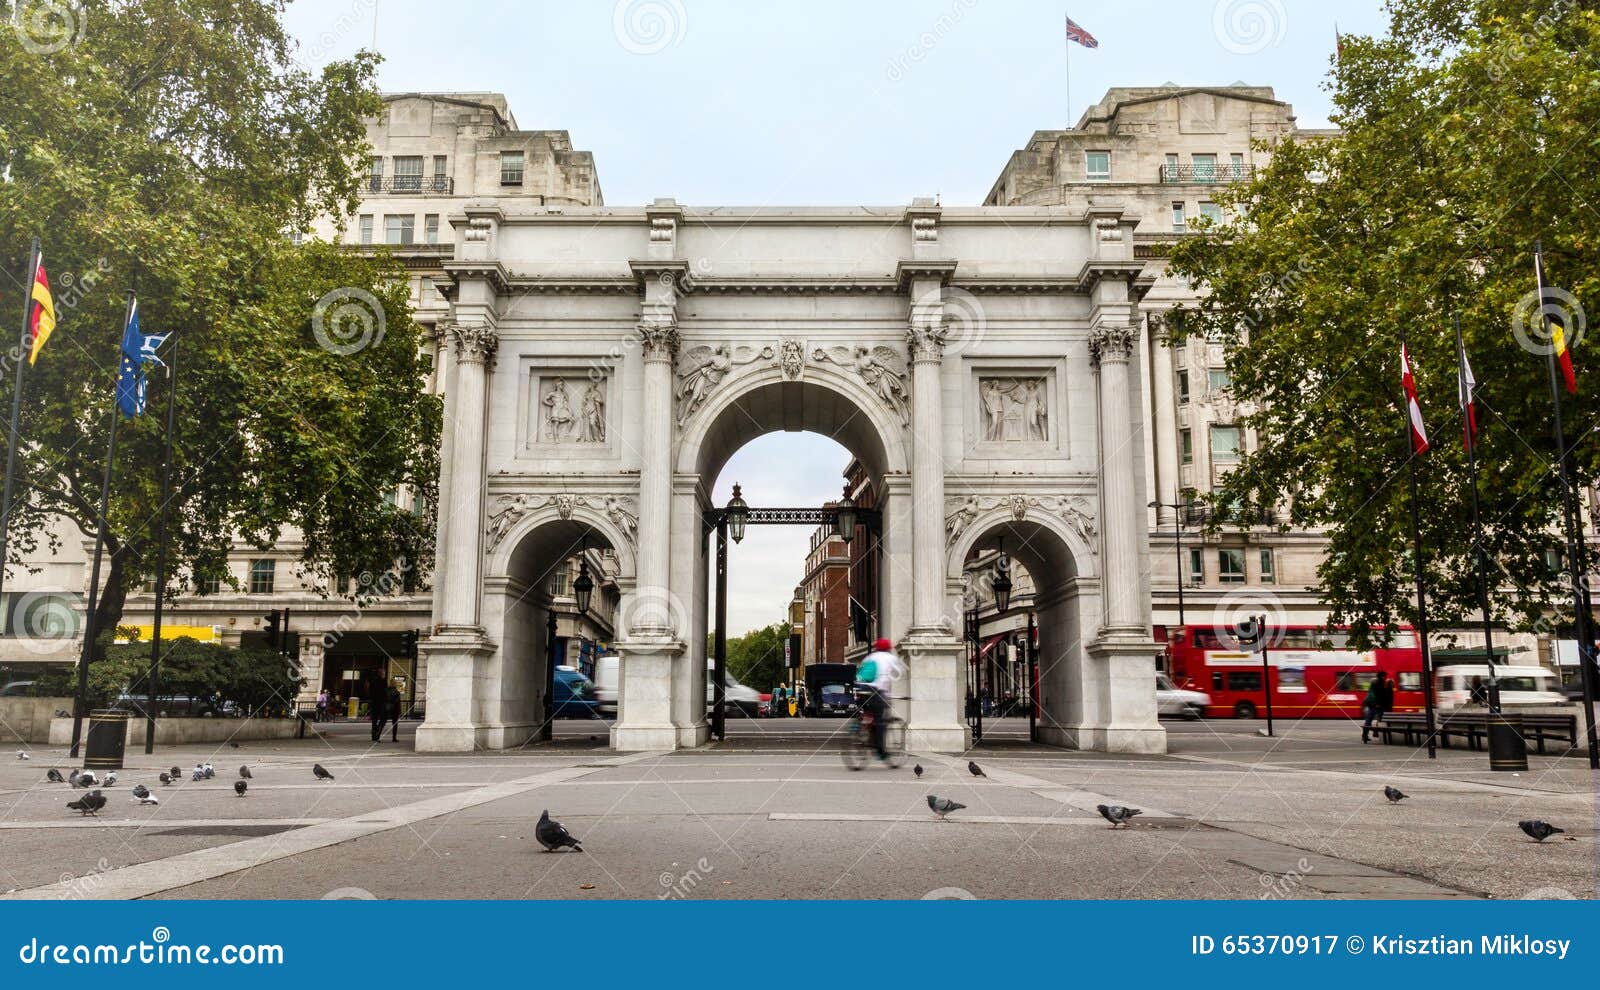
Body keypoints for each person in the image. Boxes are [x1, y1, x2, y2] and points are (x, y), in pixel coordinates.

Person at [856, 638, 904, 760]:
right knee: (880, 720)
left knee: (867, 713)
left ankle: (860, 727)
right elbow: (899, 672)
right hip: (876, 691)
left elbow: (860, 672)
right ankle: (880, 750)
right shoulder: (890, 658)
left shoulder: (870, 657)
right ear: (888, 648)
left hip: (861, 689)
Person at [1361, 672, 1389, 744]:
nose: (1385, 677)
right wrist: (1377, 703)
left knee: (1369, 720)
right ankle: (1376, 733)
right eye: (1385, 676)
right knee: (1381, 718)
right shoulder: (1379, 683)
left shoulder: (1374, 682)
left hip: (1372, 704)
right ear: (1382, 676)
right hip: (1376, 705)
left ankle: (1365, 735)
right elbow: (1379, 694)